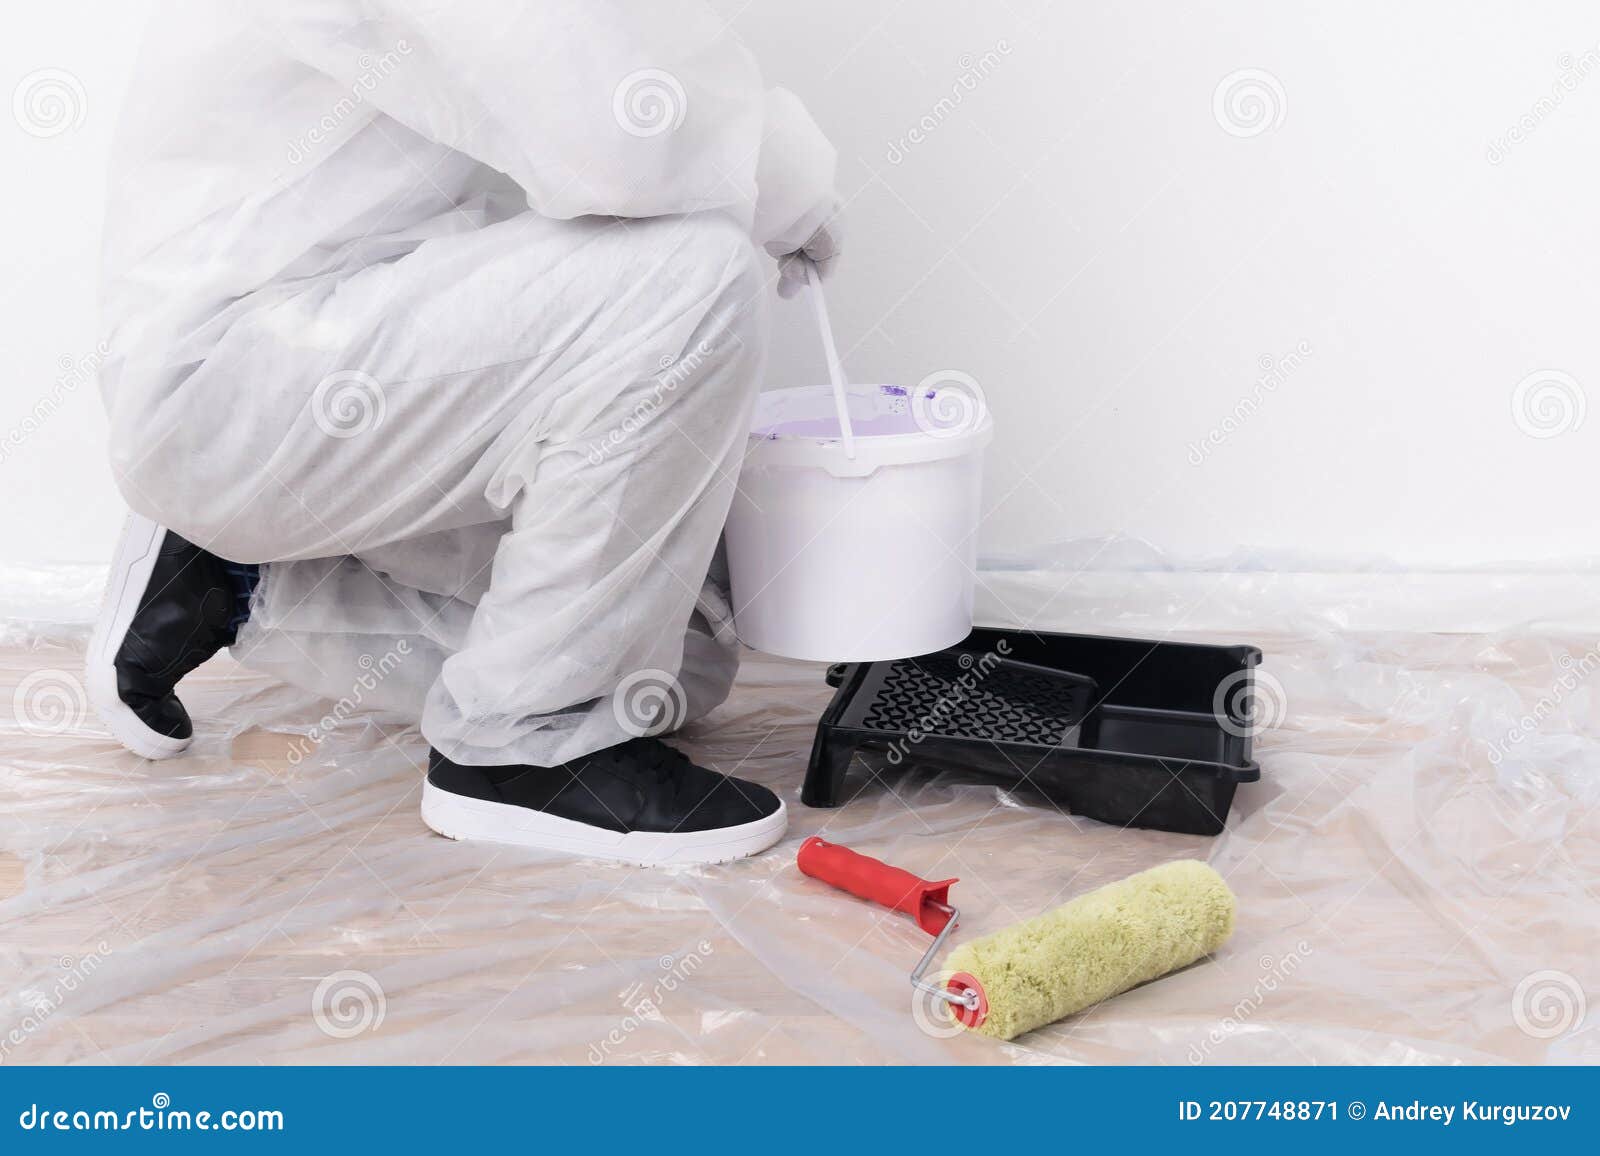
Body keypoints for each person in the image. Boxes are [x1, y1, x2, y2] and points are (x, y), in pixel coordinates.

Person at [86, 0, 841, 866]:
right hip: (236, 376)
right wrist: (787, 191)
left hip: (328, 367)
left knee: (672, 666)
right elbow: (609, 125)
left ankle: (240, 579)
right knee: (696, 277)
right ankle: (521, 752)